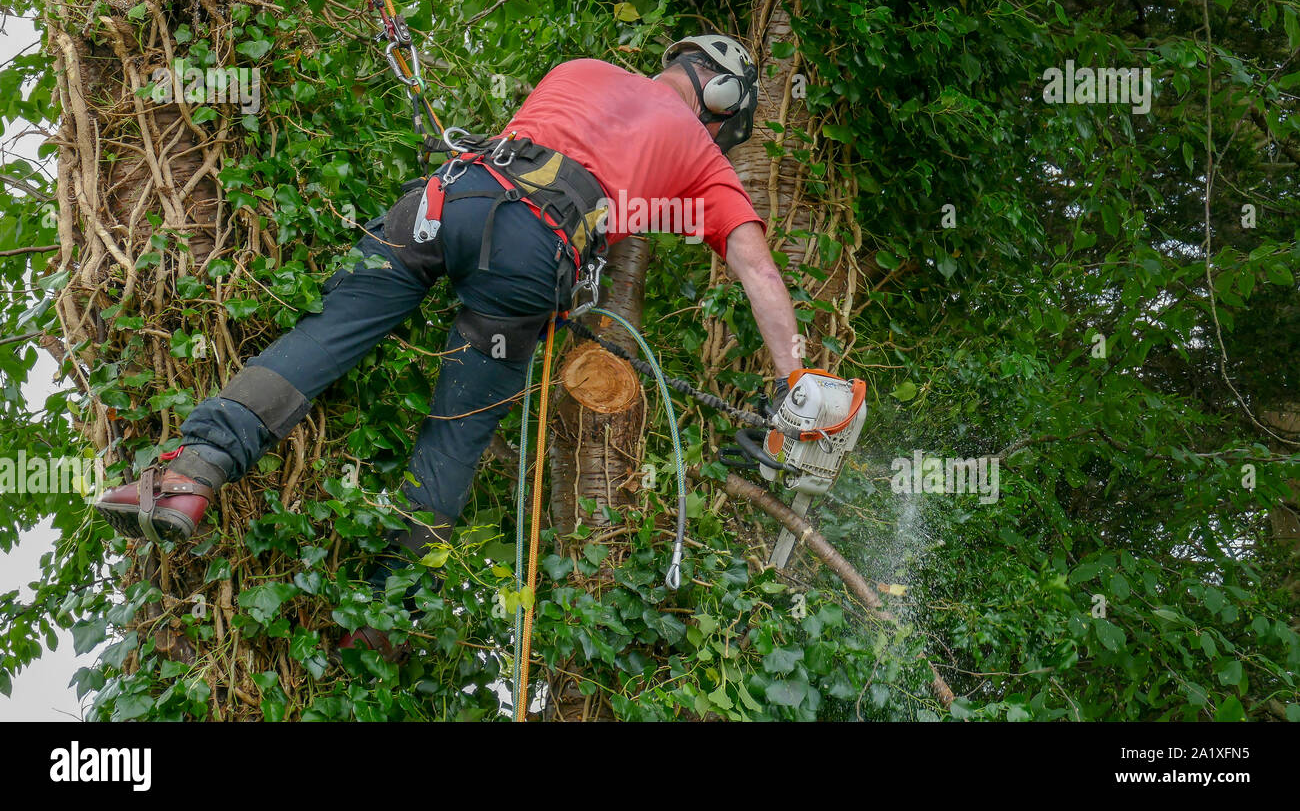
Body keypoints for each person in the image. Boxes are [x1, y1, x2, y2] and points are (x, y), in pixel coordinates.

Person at [94, 35, 803, 639]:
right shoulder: (702, 156)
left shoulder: (579, 71)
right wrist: (790, 384)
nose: (714, 141)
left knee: (326, 334)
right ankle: (376, 618)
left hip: (446, 196)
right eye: (721, 127)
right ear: (721, 98)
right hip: (533, 251)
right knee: (454, 437)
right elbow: (758, 269)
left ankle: (191, 470)